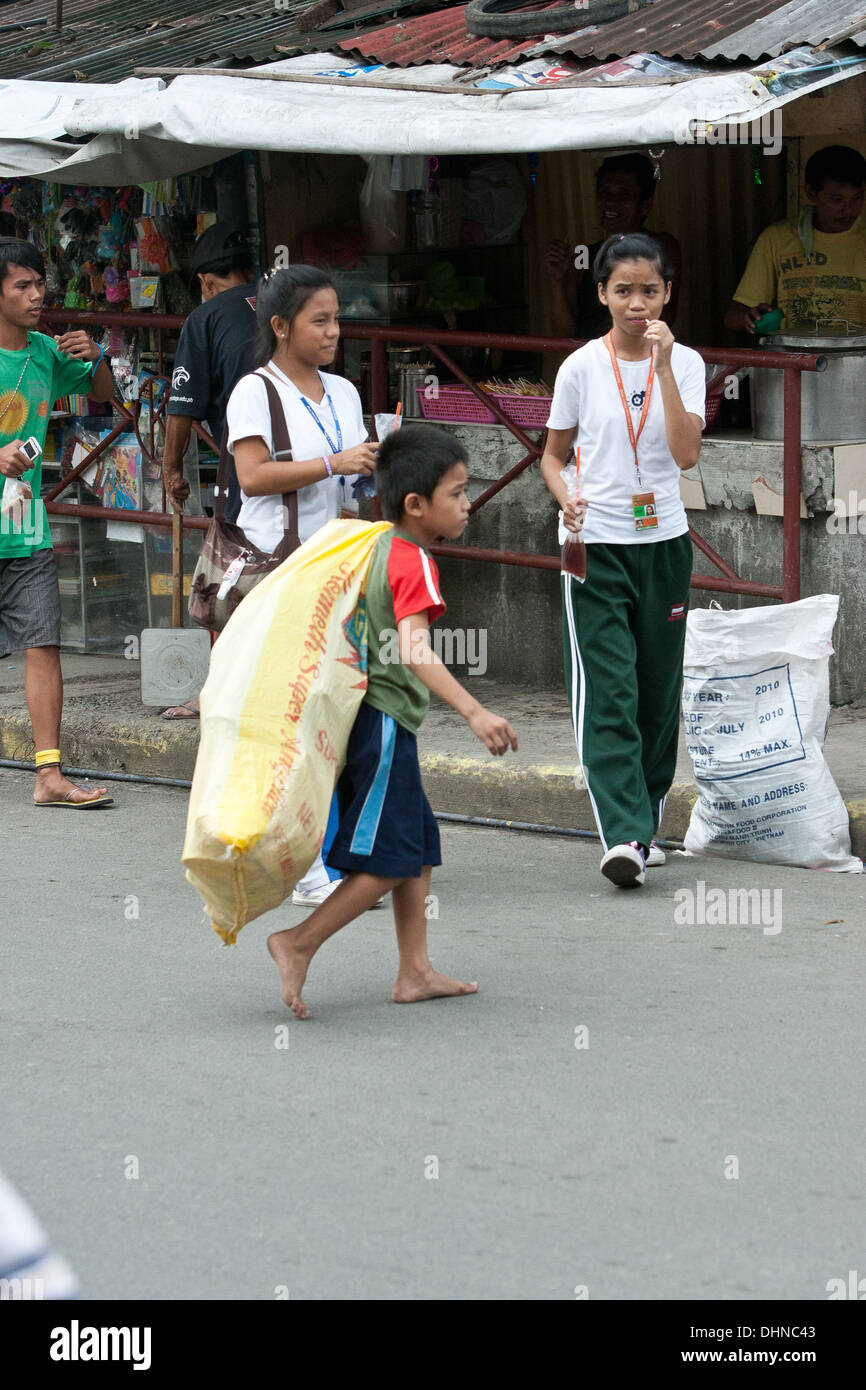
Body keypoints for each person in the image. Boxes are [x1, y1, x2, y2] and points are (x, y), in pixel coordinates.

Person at [266, 423, 518, 1019]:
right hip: (380, 725)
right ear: (416, 505)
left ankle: (414, 971)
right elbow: (415, 648)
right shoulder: (413, 561)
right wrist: (474, 710)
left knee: (418, 845)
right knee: (387, 859)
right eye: (457, 492)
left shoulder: (372, 542)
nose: (467, 503)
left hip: (365, 719)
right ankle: (297, 943)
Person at [540, 232, 705, 888]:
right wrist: (567, 497)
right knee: (609, 687)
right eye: (624, 291)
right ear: (601, 293)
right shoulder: (580, 366)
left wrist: (662, 368)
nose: (638, 303)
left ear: (668, 293)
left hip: (663, 543)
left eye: (650, 290)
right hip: (596, 547)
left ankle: (646, 816)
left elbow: (686, 453)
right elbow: (553, 456)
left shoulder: (686, 362)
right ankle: (626, 836)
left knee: (657, 692)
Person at [226, 262, 378, 906]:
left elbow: (352, 476)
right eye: (320, 321)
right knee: (294, 718)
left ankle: (336, 850)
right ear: (281, 327)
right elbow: (253, 476)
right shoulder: (253, 392)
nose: (334, 331)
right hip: (277, 571)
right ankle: (302, 861)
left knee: (337, 715)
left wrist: (371, 469)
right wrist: (333, 463)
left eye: (338, 318)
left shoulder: (342, 392)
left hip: (340, 570)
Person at [0, 237, 116, 809]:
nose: (37, 295)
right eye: (22, 285)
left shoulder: (45, 351)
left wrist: (96, 357)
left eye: (39, 284)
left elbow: (104, 393)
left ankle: (49, 774)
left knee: (43, 644)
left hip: (25, 527)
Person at [161, 221, 257, 719]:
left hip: (248, 468)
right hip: (315, 464)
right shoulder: (288, 307)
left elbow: (182, 405)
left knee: (230, 577)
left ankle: (215, 690)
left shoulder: (206, 317)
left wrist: (172, 470)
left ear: (205, 280)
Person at [724, 144, 866, 335]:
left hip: (857, 359)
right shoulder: (776, 238)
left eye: (857, 198)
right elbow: (732, 317)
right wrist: (750, 317)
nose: (849, 210)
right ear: (811, 193)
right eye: (837, 199)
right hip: (793, 359)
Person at [546, 153, 682, 340]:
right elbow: (563, 334)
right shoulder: (583, 254)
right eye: (605, 193)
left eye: (624, 195)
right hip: (591, 362)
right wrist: (558, 282)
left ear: (645, 205)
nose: (611, 202)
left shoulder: (662, 246)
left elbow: (662, 319)